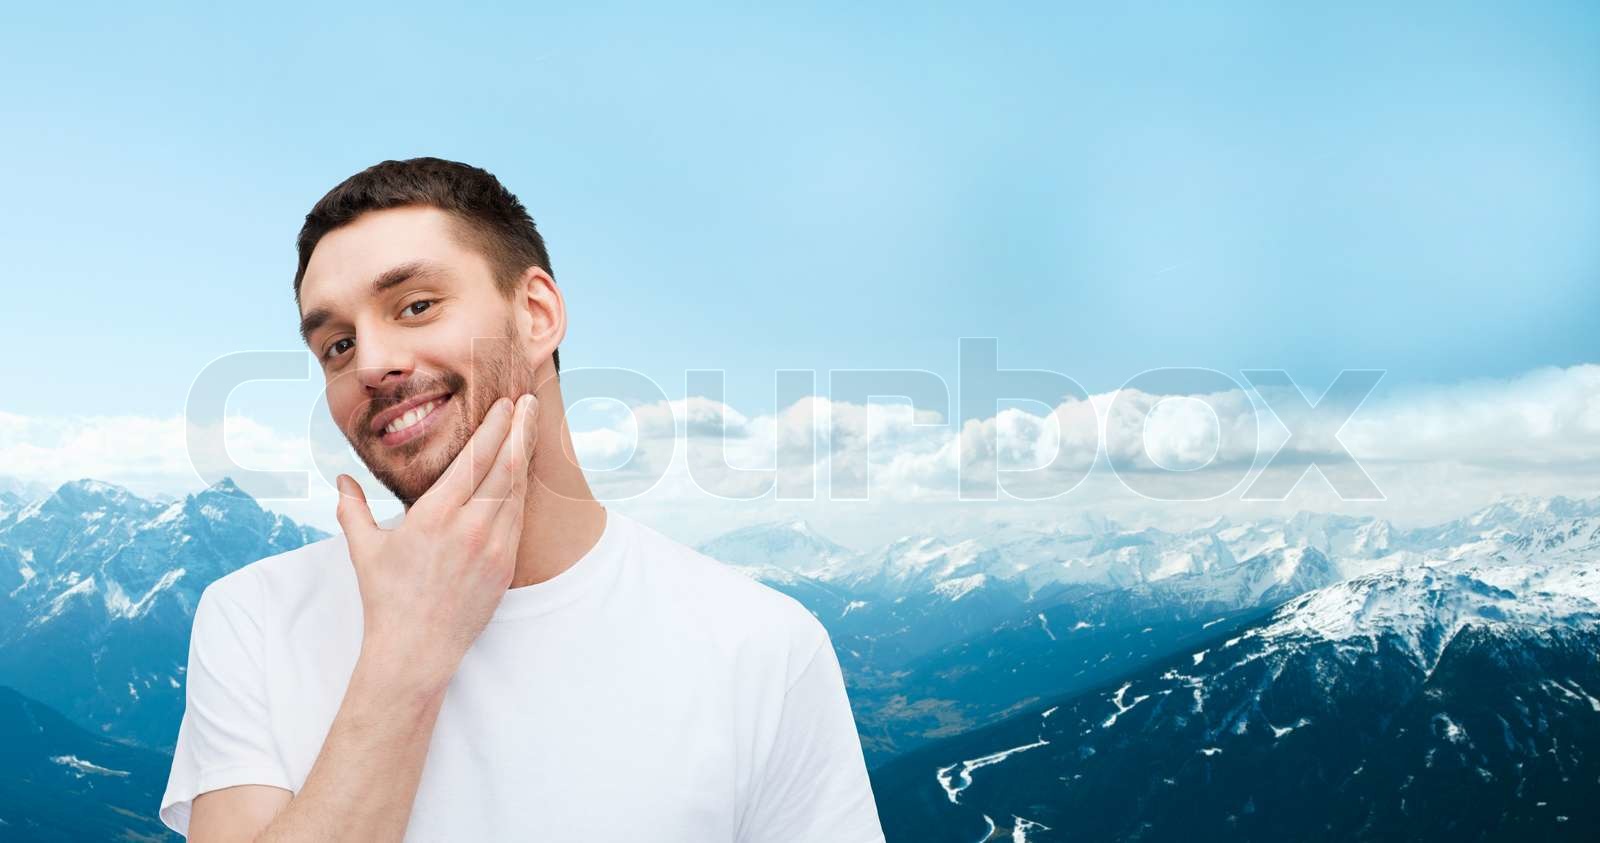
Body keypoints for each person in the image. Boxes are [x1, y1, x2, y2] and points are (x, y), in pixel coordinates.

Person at [158, 157, 886, 841]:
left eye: (414, 305)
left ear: (536, 313)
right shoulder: (252, 618)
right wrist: (406, 656)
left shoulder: (763, 647)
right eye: (337, 346)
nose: (372, 364)